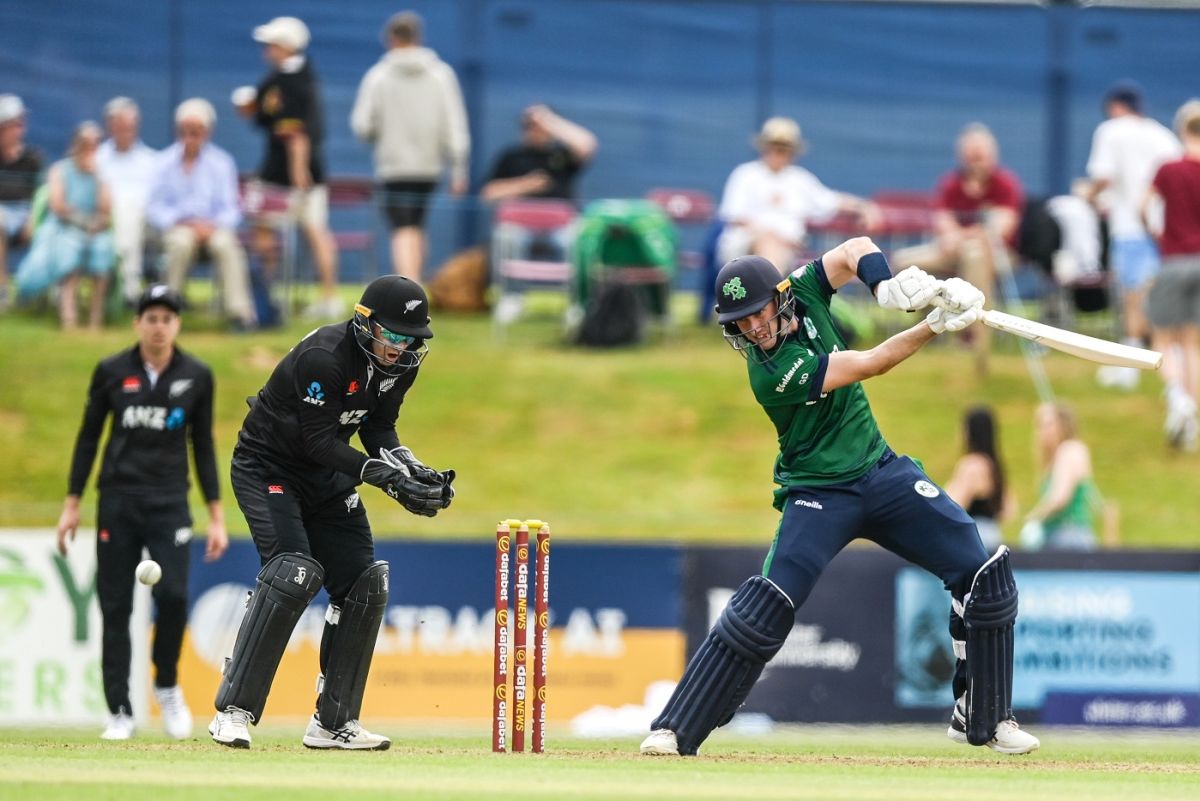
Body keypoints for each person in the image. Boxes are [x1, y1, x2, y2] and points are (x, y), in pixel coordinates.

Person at [639, 241, 1040, 757]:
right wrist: (934, 324)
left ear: (780, 298)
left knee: (981, 569)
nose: (754, 328)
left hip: (880, 472)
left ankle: (984, 716)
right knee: (766, 604)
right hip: (818, 494)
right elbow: (871, 363)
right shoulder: (769, 373)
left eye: (757, 313)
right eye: (740, 323)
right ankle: (675, 728)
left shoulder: (804, 290)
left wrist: (886, 287)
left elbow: (854, 249)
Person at [208, 275, 455, 751]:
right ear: (366, 323)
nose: (401, 348)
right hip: (269, 466)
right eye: (395, 335)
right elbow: (316, 440)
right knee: (293, 572)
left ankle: (333, 722)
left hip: (327, 475)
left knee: (365, 582)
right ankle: (233, 712)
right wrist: (380, 476)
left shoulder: (400, 365)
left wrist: (411, 469)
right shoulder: (324, 357)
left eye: (411, 339)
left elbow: (380, 428)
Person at [55, 283, 229, 740]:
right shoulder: (112, 371)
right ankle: (120, 710)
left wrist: (215, 513)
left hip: (170, 502)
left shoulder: (198, 374)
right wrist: (72, 503)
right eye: (150, 317)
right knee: (115, 606)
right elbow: (90, 436)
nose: (158, 325)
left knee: (172, 597)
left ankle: (167, 685)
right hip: (118, 500)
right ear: (138, 323)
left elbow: (204, 444)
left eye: (167, 318)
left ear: (178, 324)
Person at [893, 123, 1025, 376]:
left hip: (996, 256)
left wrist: (962, 236)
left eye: (980, 156)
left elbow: (1001, 229)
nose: (976, 162)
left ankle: (976, 338)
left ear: (992, 156)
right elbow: (942, 222)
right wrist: (957, 237)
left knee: (974, 254)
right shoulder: (951, 184)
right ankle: (926, 328)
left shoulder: (1005, 184)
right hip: (953, 252)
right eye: (971, 156)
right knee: (906, 262)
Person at [350, 11, 470, 283]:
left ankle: (410, 287)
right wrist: (459, 169)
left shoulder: (378, 77)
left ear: (391, 39)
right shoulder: (442, 75)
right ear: (419, 37)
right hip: (429, 167)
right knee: (416, 225)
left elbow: (362, 126)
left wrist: (381, 133)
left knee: (402, 227)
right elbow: (455, 124)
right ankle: (416, 285)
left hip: (393, 167)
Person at [237, 16, 342, 320]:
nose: (266, 49)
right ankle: (264, 294)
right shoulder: (279, 78)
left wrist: (299, 173)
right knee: (266, 228)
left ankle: (327, 296)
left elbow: (297, 133)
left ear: (285, 46)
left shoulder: (295, 82)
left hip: (294, 176)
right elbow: (263, 110)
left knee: (313, 229)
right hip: (277, 171)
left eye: (271, 43)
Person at [1085, 80, 1182, 391]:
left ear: (1115, 107)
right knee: (1162, 299)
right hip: (1167, 230)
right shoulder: (1161, 135)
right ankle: (1174, 363)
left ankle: (1131, 366)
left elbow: (1103, 176)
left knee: (1133, 298)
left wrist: (1087, 197)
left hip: (1132, 226)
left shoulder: (1111, 131)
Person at [146, 98, 256, 330]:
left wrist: (212, 226)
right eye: (186, 130)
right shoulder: (162, 162)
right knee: (181, 243)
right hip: (178, 229)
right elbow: (154, 207)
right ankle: (168, 312)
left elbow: (232, 208)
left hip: (212, 229)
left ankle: (241, 315)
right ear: (178, 130)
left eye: (196, 131)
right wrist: (180, 222)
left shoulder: (222, 163)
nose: (190, 136)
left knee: (227, 245)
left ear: (207, 132)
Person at [716, 116, 880, 271]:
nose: (777, 154)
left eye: (783, 149)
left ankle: (767, 295)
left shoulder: (801, 180)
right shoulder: (746, 174)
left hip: (787, 249)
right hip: (743, 247)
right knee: (769, 245)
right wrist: (771, 235)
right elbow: (735, 216)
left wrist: (864, 207)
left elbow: (831, 201)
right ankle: (770, 296)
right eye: (773, 147)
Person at [14, 121, 115, 329]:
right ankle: (69, 317)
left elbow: (105, 211)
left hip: (94, 230)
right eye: (85, 143)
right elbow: (58, 206)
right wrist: (84, 223)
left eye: (94, 144)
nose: (89, 149)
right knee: (70, 250)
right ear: (75, 145)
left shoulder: (101, 174)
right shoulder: (59, 170)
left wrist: (96, 178)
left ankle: (96, 318)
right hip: (62, 228)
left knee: (103, 247)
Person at [1144, 99, 1200, 451]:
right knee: (1193, 345)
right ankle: (1191, 416)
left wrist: (1157, 235)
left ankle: (1178, 401)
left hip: (1174, 258)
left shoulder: (1168, 169)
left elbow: (1144, 206)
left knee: (1163, 339)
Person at [97, 97, 160, 305]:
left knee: (130, 211)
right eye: (120, 126)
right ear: (110, 126)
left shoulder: (152, 160)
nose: (125, 131)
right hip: (105, 221)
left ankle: (127, 289)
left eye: (130, 127)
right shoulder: (97, 159)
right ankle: (128, 291)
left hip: (148, 223)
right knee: (124, 211)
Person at [1019, 402, 1103, 551]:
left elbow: (1060, 498)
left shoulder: (1069, 450)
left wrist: (1033, 518)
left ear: (1062, 425)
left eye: (1048, 424)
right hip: (1061, 536)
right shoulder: (1059, 456)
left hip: (1068, 536)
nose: (1042, 431)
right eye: (1040, 425)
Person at [944, 406, 1012, 552]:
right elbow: (1007, 510)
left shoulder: (972, 465)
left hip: (974, 537)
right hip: (994, 534)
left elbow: (955, 505)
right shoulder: (995, 465)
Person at [0, 93, 44, 311]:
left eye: (20, 124)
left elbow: (41, 197)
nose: (18, 129)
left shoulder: (33, 158)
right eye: (12, 125)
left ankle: (30, 294)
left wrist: (32, 219)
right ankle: (2, 293)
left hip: (26, 215)